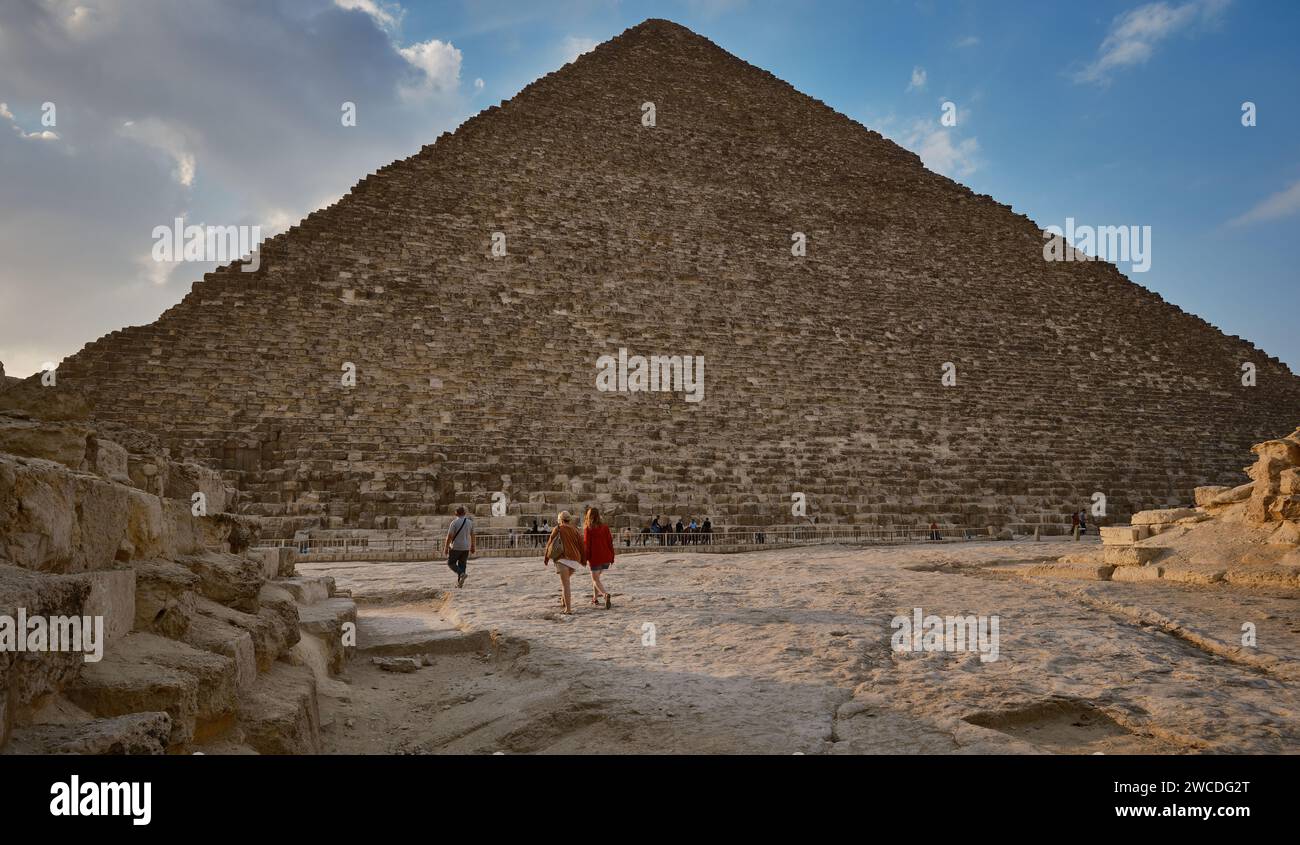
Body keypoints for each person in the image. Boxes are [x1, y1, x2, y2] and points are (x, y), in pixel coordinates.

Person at [544, 511, 585, 615]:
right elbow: (581, 545)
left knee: (565, 585)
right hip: (575, 560)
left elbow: (550, 542)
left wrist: (546, 557)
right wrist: (583, 560)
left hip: (562, 558)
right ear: (569, 519)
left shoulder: (558, 528)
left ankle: (568, 609)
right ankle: (563, 600)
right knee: (566, 581)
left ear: (560, 519)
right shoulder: (575, 529)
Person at [583, 508, 615, 608]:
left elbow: (586, 545)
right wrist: (612, 556)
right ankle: (595, 598)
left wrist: (586, 558)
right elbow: (610, 542)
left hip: (595, 558)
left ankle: (605, 595)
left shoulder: (588, 529)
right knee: (597, 579)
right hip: (606, 557)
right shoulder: (605, 527)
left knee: (595, 580)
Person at [444, 506, 475, 588]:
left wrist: (446, 547)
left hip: (456, 547)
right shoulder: (470, 522)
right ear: (464, 513)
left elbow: (449, 536)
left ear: (456, 513)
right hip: (466, 547)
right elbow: (472, 535)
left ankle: (461, 574)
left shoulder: (454, 522)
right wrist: (473, 546)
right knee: (462, 565)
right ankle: (460, 583)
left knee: (450, 563)